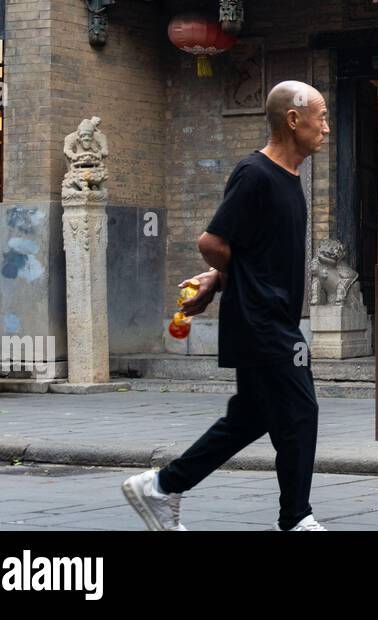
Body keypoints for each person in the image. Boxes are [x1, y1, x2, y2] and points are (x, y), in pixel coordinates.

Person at [122, 81, 329, 531]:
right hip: (262, 321)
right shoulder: (255, 174)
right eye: (321, 117)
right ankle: (297, 518)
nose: (326, 128)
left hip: (266, 316)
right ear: (294, 120)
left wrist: (218, 278)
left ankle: (161, 487)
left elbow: (247, 250)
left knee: (251, 417)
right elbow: (211, 241)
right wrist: (222, 277)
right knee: (301, 411)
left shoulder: (289, 178)